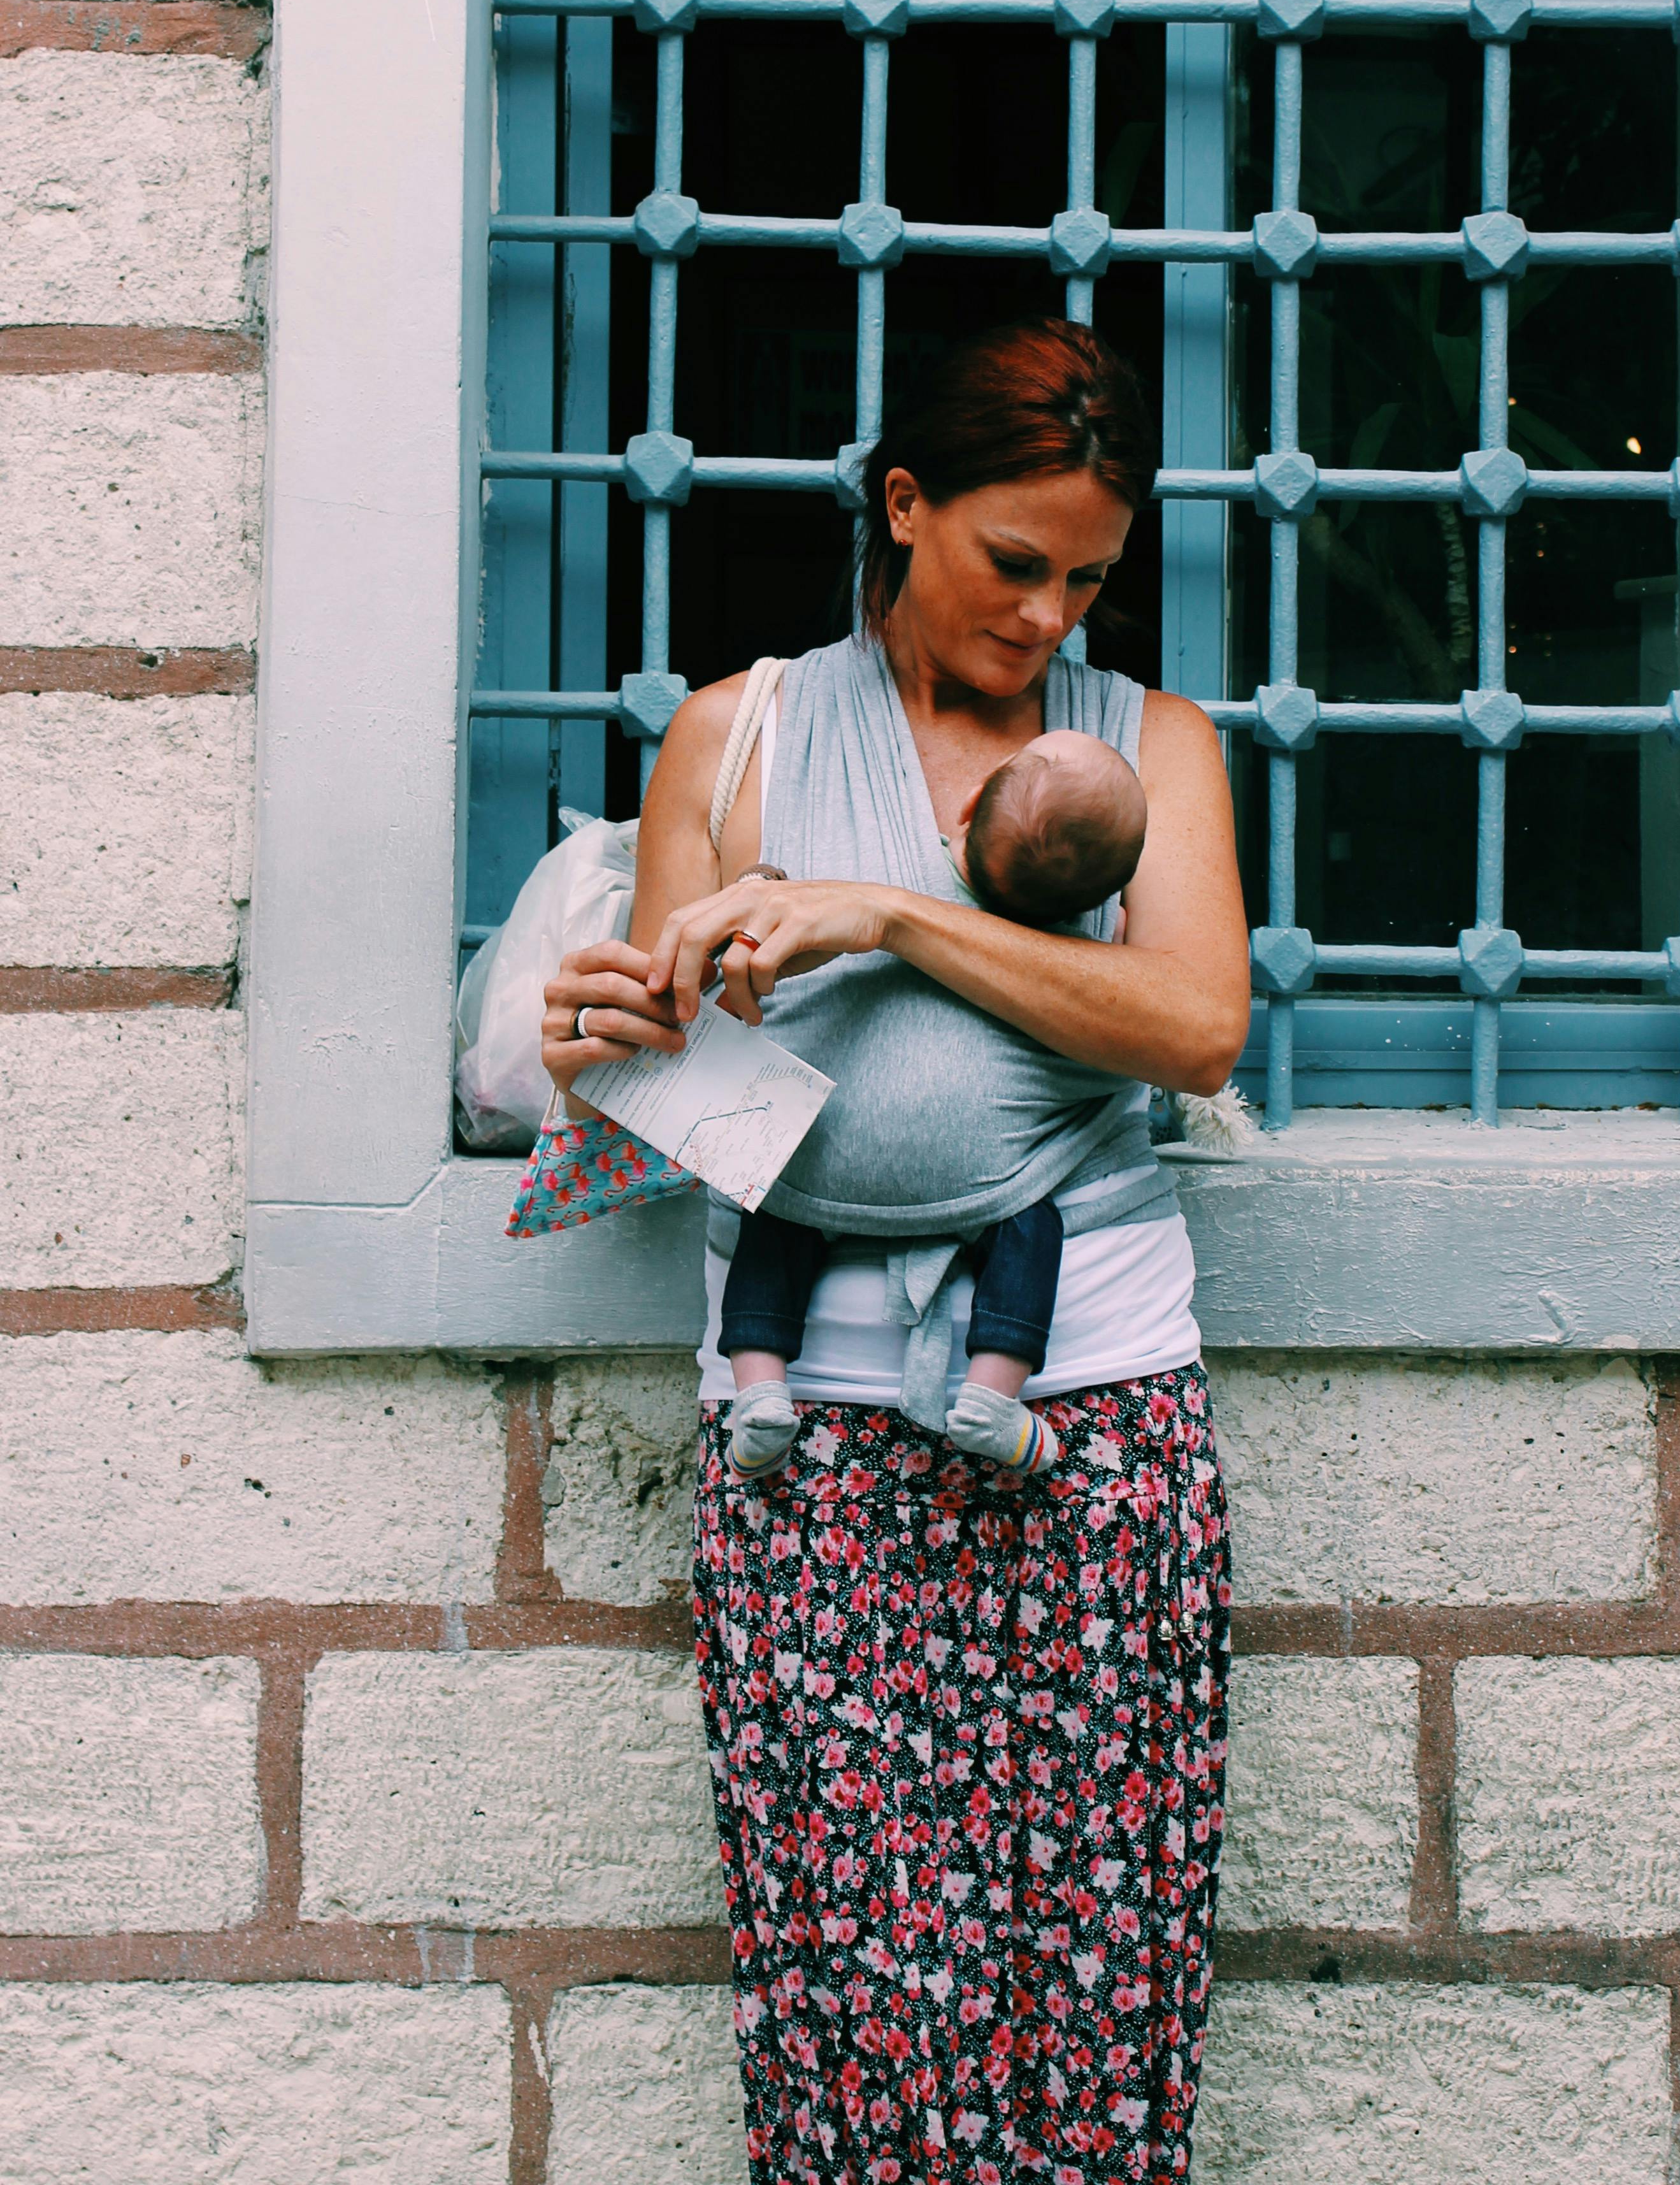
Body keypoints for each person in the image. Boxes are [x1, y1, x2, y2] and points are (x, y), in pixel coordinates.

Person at [543, 317, 1250, 2183]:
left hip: (1080, 1426)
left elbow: (1190, 1023)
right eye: (1014, 562)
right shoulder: (741, 727)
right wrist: (592, 1041)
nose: (1045, 614)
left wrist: (896, 914)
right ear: (907, 502)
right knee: (849, 1986)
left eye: (1086, 575)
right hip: (813, 1443)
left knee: (1093, 1984)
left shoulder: (1144, 744)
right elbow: (667, 1091)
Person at [721, 729, 1150, 1485]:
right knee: (1030, 1228)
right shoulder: (1090, 931)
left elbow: (775, 908)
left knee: (772, 1219)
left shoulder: (881, 878)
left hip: (822, 1160)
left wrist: (761, 877)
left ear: (971, 802)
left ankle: (758, 1390)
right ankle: (992, 1393)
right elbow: (1120, 985)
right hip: (995, 1175)